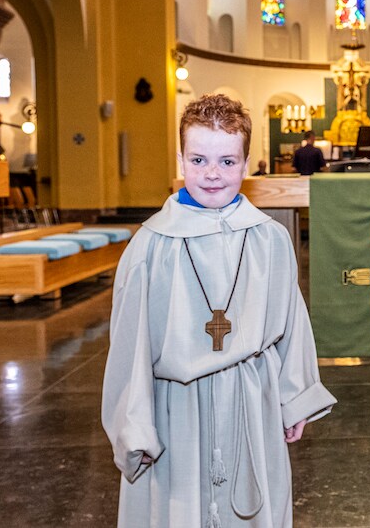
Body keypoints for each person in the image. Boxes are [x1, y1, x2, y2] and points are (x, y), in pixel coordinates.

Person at [102, 94, 336, 527]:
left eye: (227, 162)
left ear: (247, 164)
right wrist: (133, 426)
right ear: (180, 160)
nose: (212, 174)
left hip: (252, 399)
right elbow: (128, 348)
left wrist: (295, 396)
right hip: (176, 406)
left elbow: (291, 322)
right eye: (199, 160)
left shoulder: (269, 239)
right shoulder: (150, 245)